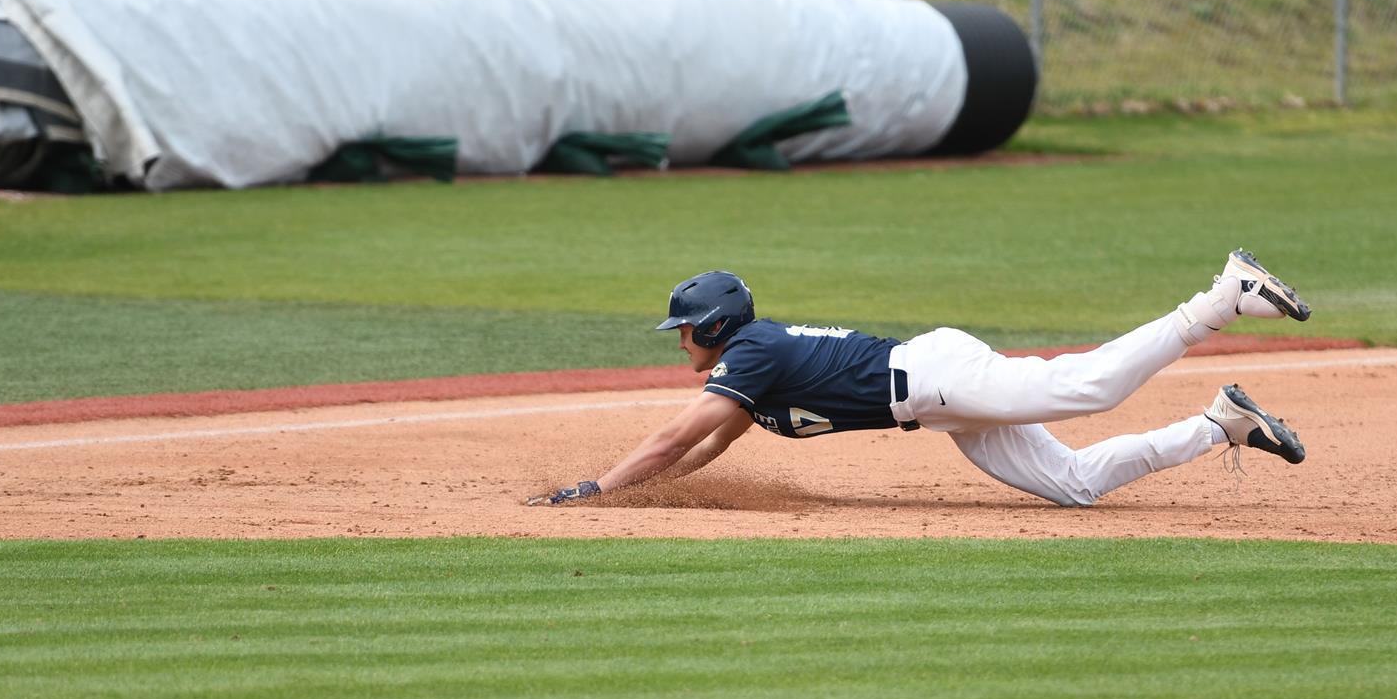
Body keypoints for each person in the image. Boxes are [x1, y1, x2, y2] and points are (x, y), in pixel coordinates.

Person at [529, 251, 1311, 508]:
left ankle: (1222, 296)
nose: (680, 344)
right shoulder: (750, 374)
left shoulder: (754, 353)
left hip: (934, 378)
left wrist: (597, 489)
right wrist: (640, 493)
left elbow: (675, 435)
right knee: (1072, 484)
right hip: (935, 404)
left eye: (686, 331)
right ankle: (1221, 423)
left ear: (718, 327)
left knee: (1088, 389)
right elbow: (703, 448)